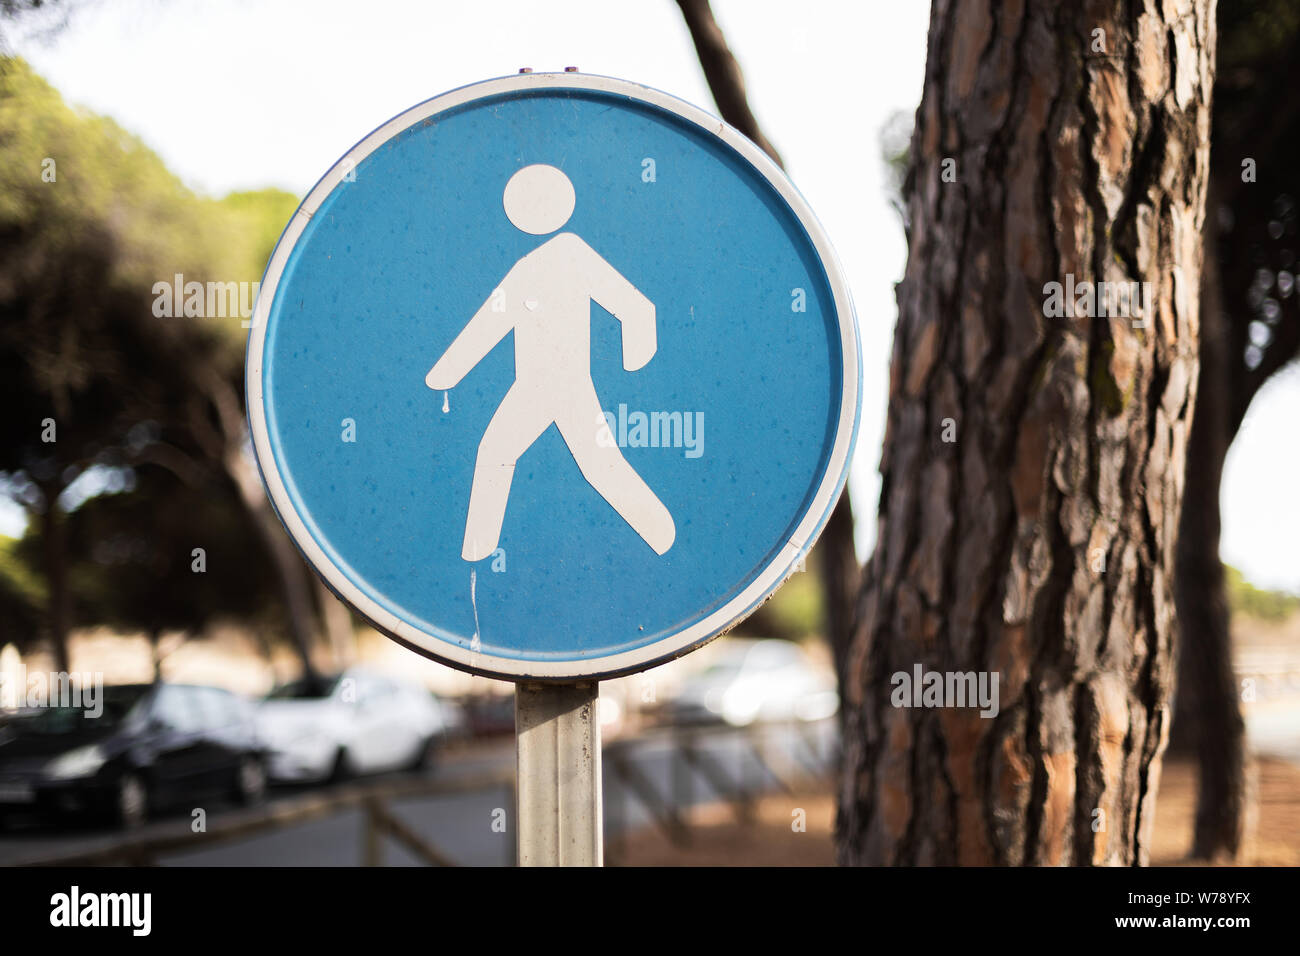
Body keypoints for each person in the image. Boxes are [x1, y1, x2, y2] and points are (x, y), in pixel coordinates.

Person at [427, 164, 676, 562]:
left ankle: (662, 535)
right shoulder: (524, 269)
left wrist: (636, 352)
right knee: (500, 451)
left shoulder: (571, 252)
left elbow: (632, 303)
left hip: (569, 382)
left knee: (596, 463)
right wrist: (446, 373)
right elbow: (489, 324)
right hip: (531, 386)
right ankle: (477, 551)